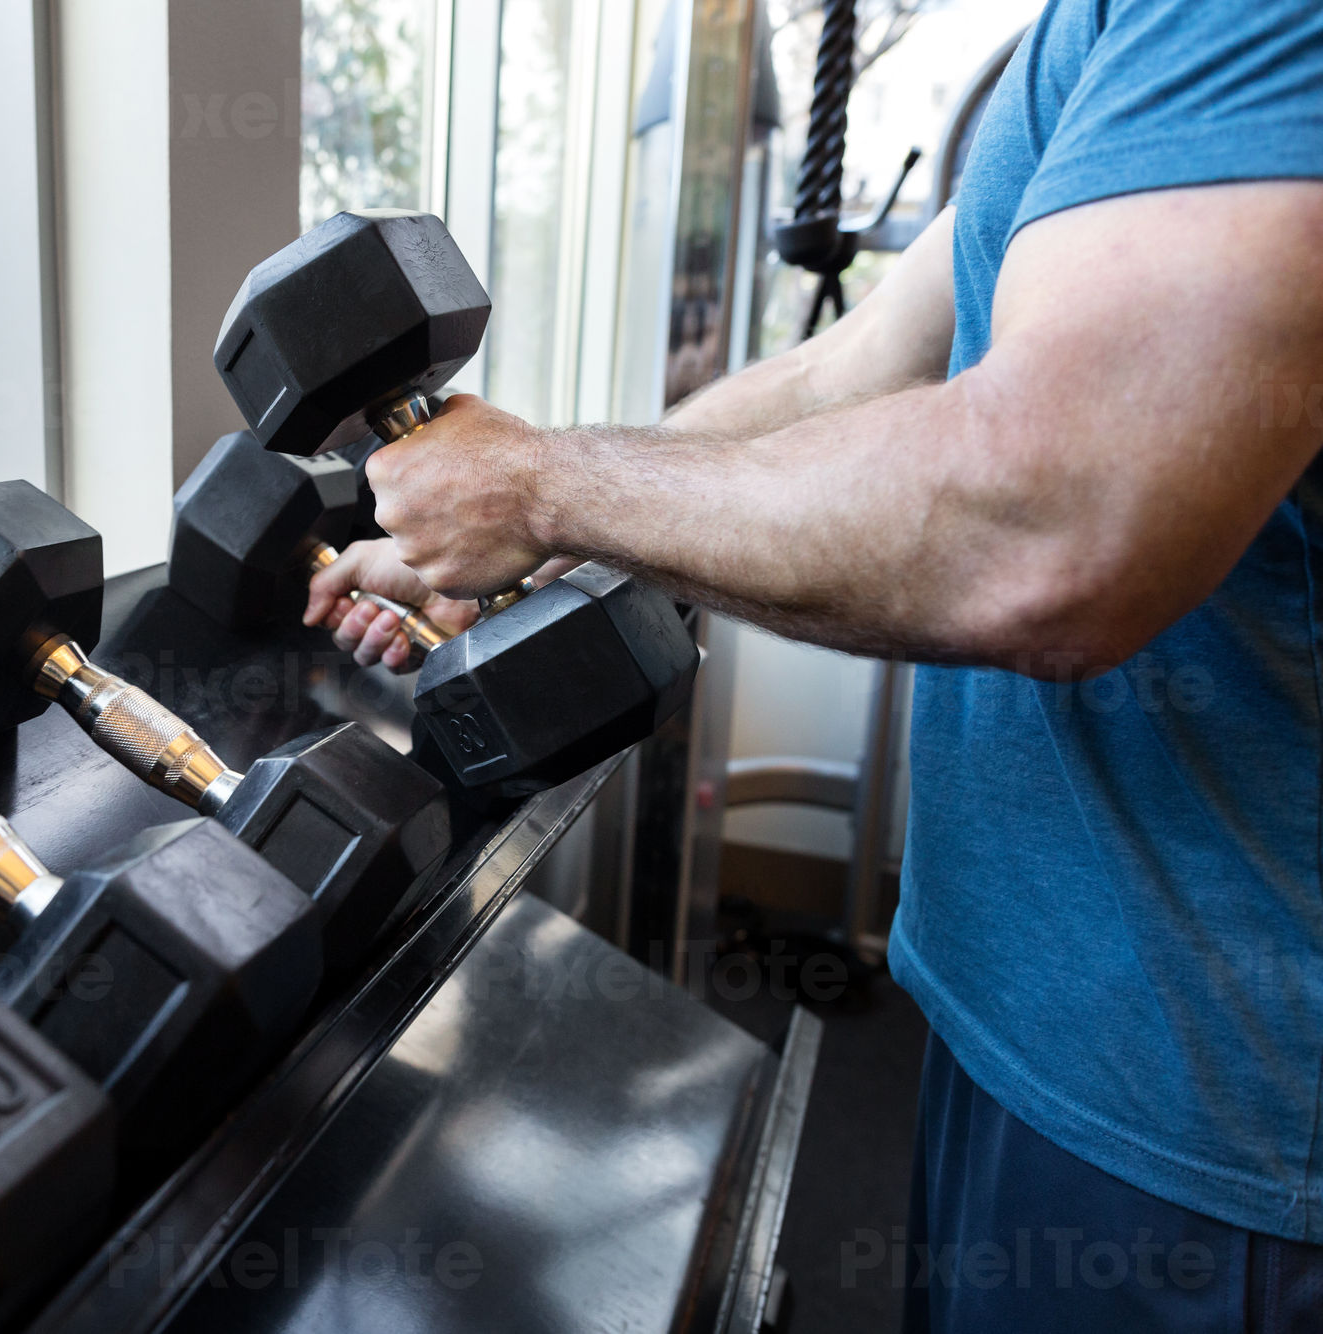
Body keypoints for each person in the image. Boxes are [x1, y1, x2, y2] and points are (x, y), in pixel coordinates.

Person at [305, 2, 1323, 1330]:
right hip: (1021, 1021)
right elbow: (857, 362)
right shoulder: (1094, 40)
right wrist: (505, 528)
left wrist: (545, 489)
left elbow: (1054, 523)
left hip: (1211, 1115)